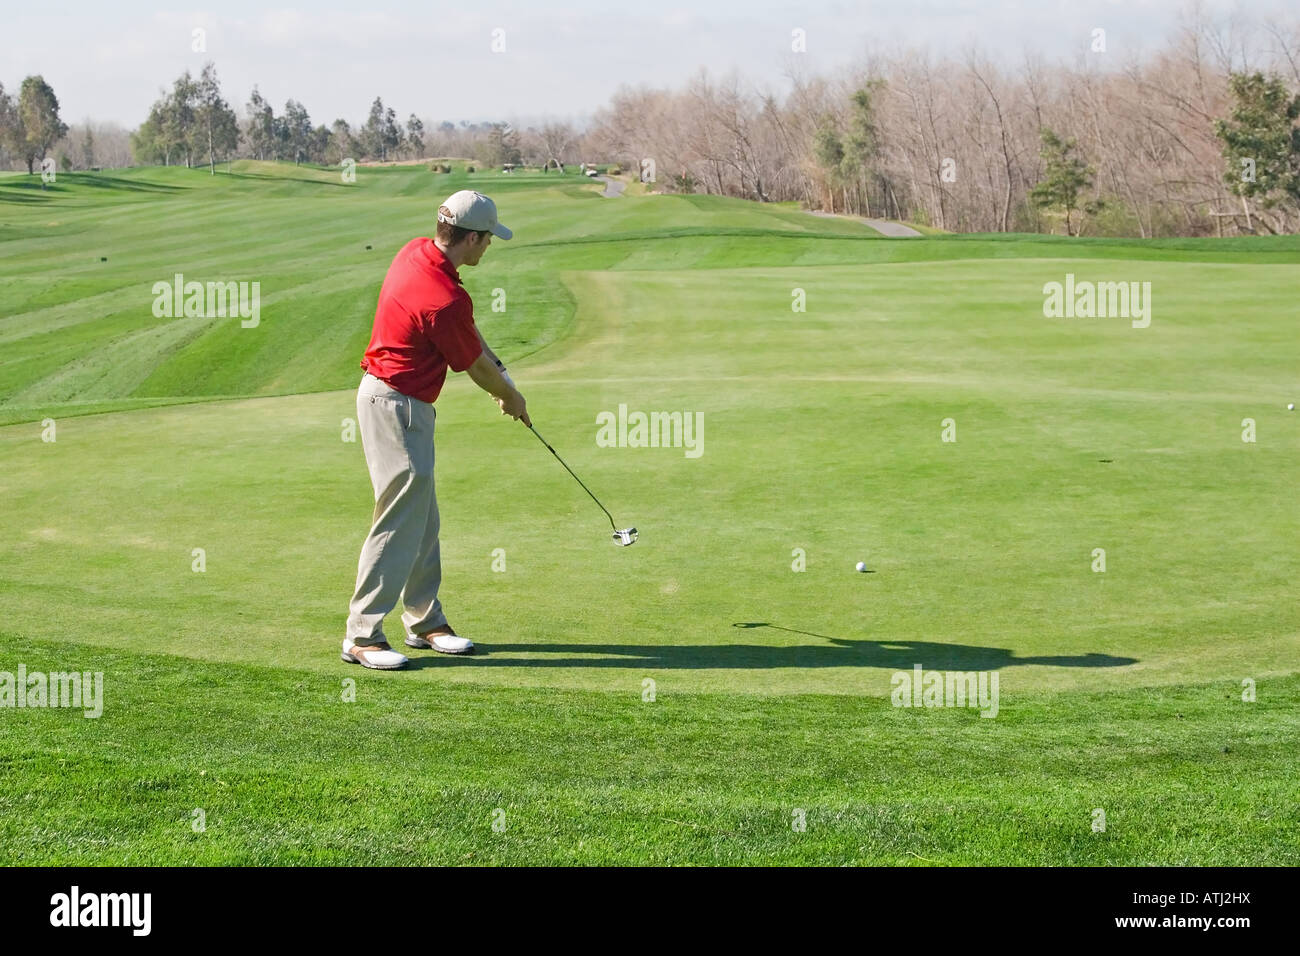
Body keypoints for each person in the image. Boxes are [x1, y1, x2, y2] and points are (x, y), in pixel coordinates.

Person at [341, 190, 529, 670]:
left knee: (422, 515)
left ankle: (425, 620)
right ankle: (362, 634)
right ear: (469, 238)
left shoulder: (417, 253)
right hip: (395, 405)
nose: (489, 247)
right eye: (487, 239)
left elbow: (466, 332)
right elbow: (475, 366)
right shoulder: (443, 298)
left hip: (399, 402)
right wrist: (510, 395)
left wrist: (498, 371)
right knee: (400, 517)